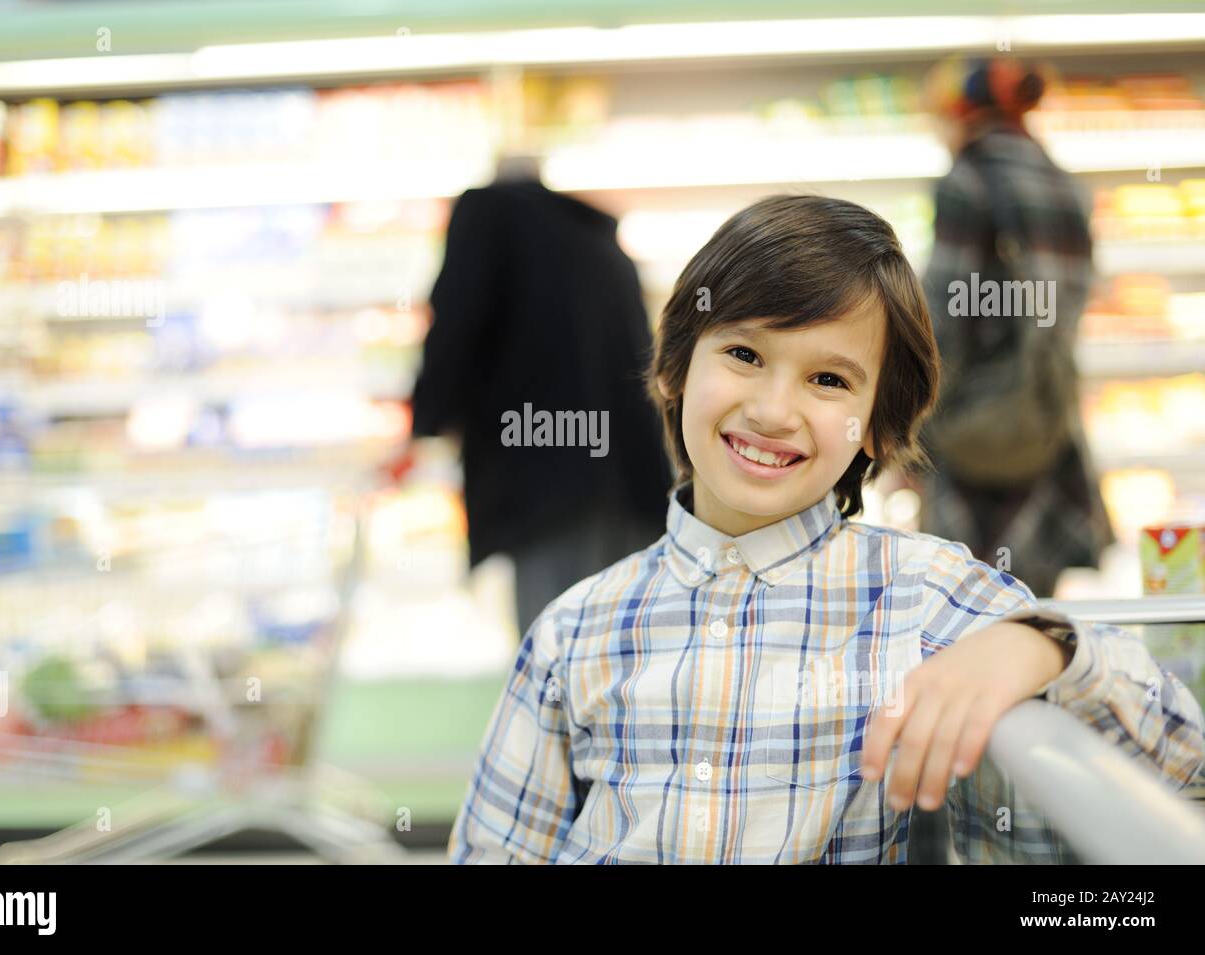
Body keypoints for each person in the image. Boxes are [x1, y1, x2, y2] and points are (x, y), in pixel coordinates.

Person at [447, 195, 1204, 864]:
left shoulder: (931, 600)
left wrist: (1042, 642)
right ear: (676, 368)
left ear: (876, 424)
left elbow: (1184, 760)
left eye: (829, 379)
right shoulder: (573, 631)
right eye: (744, 354)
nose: (775, 409)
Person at [410, 157, 674, 637]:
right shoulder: (599, 240)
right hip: (631, 482)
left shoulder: (488, 213)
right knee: (618, 653)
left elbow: (456, 324)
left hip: (545, 475)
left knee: (554, 664)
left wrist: (426, 421)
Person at [918, 55, 1114, 598]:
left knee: (967, 606)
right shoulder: (1067, 186)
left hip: (978, 426)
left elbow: (942, 319)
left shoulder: (968, 181)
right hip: (1046, 423)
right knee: (1037, 613)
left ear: (961, 113)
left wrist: (910, 422)